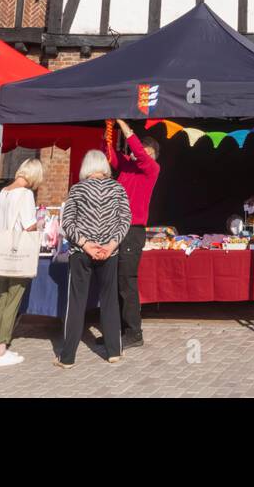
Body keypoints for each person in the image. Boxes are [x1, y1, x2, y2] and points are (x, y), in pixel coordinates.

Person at [56, 150, 132, 368]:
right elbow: (125, 219)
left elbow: (67, 223)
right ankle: (114, 351)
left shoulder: (77, 189)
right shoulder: (118, 188)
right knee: (109, 301)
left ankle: (67, 356)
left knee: (76, 303)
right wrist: (111, 245)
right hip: (110, 253)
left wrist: (85, 243)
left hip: (81, 253)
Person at [109, 118, 161, 349]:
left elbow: (138, 151)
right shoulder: (127, 167)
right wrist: (109, 129)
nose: (139, 153)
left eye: (145, 151)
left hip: (132, 231)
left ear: (152, 155)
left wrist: (123, 124)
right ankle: (117, 330)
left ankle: (134, 333)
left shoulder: (151, 169)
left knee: (126, 281)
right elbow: (110, 155)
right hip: (116, 228)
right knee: (114, 280)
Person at [0, 157, 44, 367]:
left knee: (2, 297)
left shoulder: (4, 191)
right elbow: (28, 225)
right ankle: (2, 349)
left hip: (2, 250)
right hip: (18, 253)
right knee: (13, 300)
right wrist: (40, 224)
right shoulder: (26, 194)